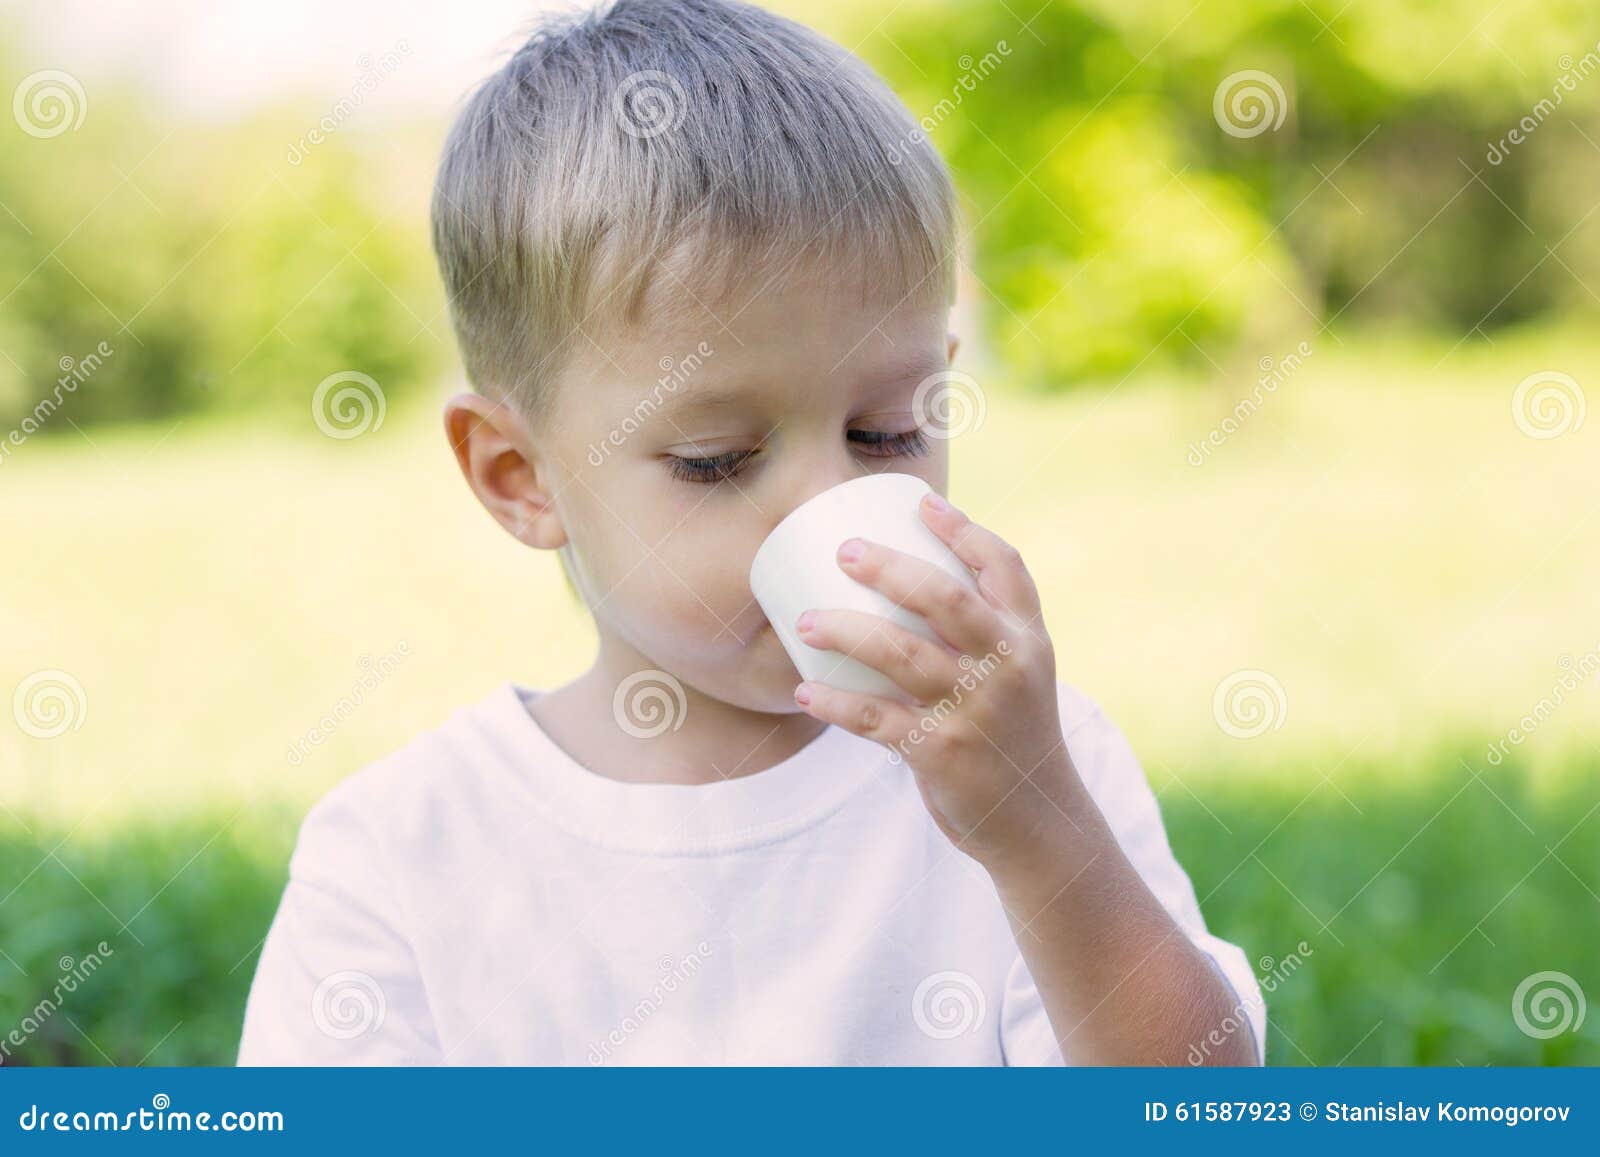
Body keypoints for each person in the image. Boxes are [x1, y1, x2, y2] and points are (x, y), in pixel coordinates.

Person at [238, 0, 1264, 1065]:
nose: (827, 504)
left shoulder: (1029, 768)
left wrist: (1043, 836)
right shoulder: (405, 857)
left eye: (888, 430)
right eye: (716, 460)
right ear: (521, 475)